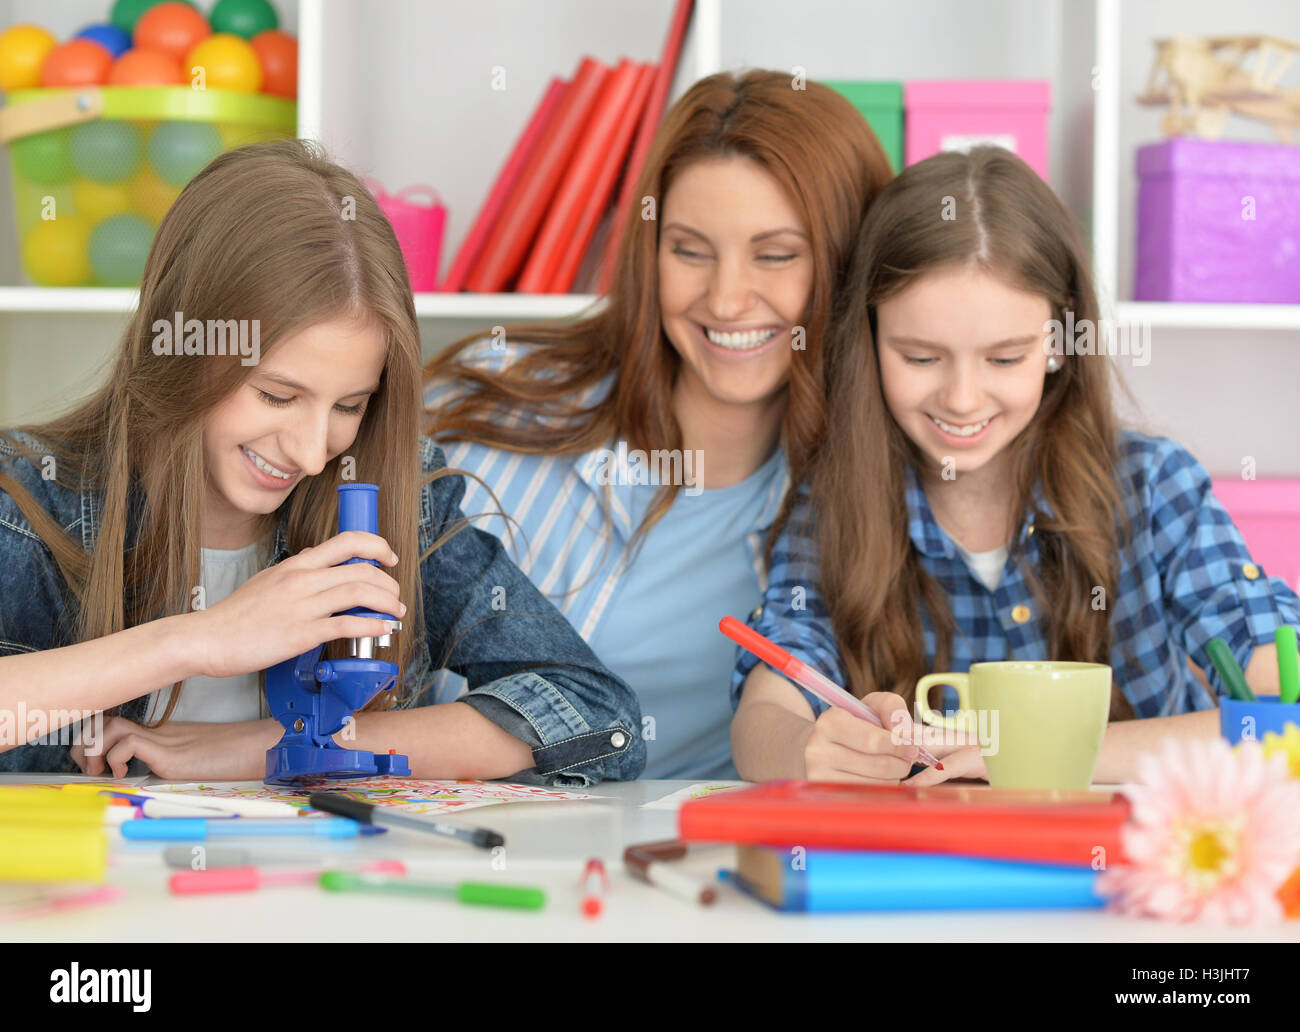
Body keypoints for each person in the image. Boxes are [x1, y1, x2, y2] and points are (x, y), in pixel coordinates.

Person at [0, 139, 642, 786]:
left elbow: (601, 724)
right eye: (278, 395)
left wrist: (266, 746)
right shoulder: (28, 499)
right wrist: (197, 639)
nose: (311, 453)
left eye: (349, 404)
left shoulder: (398, 496)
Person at [730, 147, 1300, 784]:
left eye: (1005, 359)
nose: (963, 399)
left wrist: (1032, 756)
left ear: (1059, 343)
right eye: (920, 357)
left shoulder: (1153, 486)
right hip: (936, 874)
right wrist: (810, 750)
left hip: (1131, 869)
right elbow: (765, 715)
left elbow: (1287, 716)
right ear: (868, 341)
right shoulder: (835, 505)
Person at [423, 70, 894, 778]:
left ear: (848, 265)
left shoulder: (861, 495)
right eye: (689, 250)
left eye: (775, 255)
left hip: (696, 872)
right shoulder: (499, 411)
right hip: (477, 850)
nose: (728, 300)